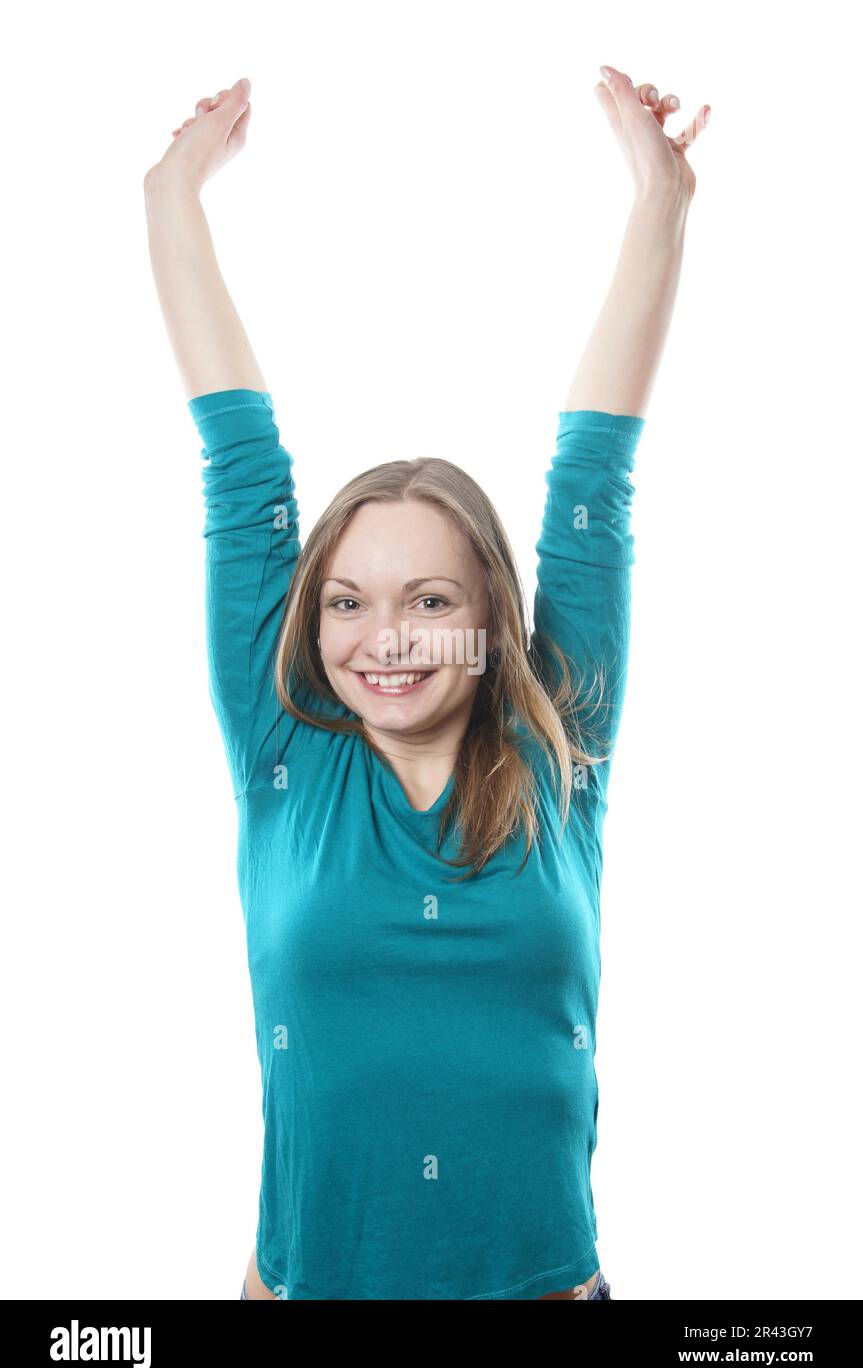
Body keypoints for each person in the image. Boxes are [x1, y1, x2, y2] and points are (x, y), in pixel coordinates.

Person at [144, 66, 707, 1301]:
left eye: (430, 601)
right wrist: (172, 195)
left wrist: (659, 199)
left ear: (494, 622)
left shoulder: (560, 738)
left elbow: (591, 484)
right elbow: (241, 471)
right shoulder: (283, 746)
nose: (381, 640)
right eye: (345, 601)